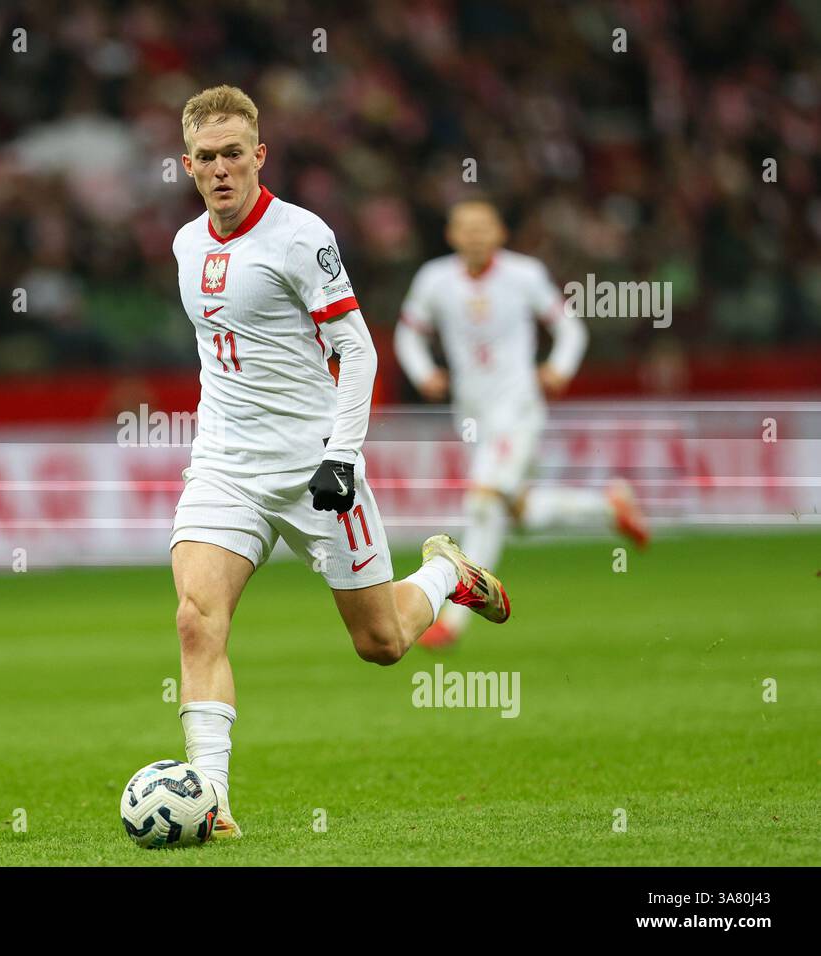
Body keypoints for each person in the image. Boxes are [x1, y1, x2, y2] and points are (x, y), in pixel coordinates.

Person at [168, 88, 511, 838]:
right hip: (225, 467)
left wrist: (341, 455)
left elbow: (357, 349)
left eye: (234, 155)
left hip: (316, 468)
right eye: (206, 158)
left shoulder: (300, 236)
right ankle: (212, 798)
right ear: (186, 164)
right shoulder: (186, 245)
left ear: (259, 156)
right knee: (197, 620)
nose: (221, 169)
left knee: (381, 644)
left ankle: (446, 571)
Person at [393, 199, 650, 649]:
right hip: (471, 413)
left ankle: (453, 619)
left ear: (499, 234)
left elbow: (570, 327)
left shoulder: (524, 274)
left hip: (518, 408)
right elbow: (407, 332)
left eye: (483, 228)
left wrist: (559, 367)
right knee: (519, 513)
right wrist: (423, 373)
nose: (474, 236)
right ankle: (610, 506)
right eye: (464, 228)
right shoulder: (435, 279)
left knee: (482, 500)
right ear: (451, 236)